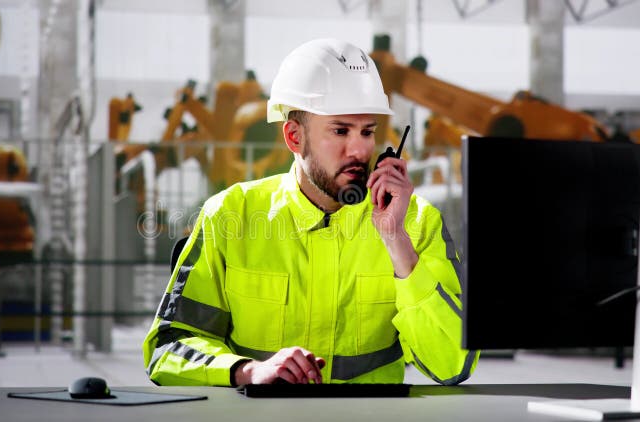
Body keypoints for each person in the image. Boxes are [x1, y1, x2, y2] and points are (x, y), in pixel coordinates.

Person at [143, 38, 478, 386]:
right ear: (293, 137)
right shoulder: (231, 215)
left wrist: (398, 244)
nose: (360, 149)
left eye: (367, 131)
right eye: (340, 130)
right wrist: (246, 371)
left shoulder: (417, 223)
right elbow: (167, 348)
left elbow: (452, 365)